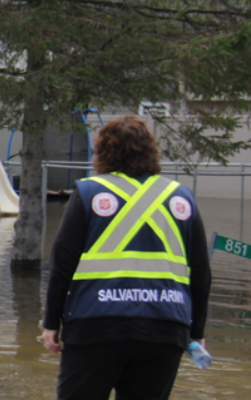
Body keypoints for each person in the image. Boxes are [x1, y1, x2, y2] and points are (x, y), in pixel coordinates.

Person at [42, 115, 212, 400]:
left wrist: (51, 323)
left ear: (103, 152)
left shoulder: (88, 192)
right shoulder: (181, 197)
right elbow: (200, 271)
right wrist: (195, 330)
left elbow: (62, 265)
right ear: (151, 150)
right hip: (166, 327)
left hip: (95, 324)